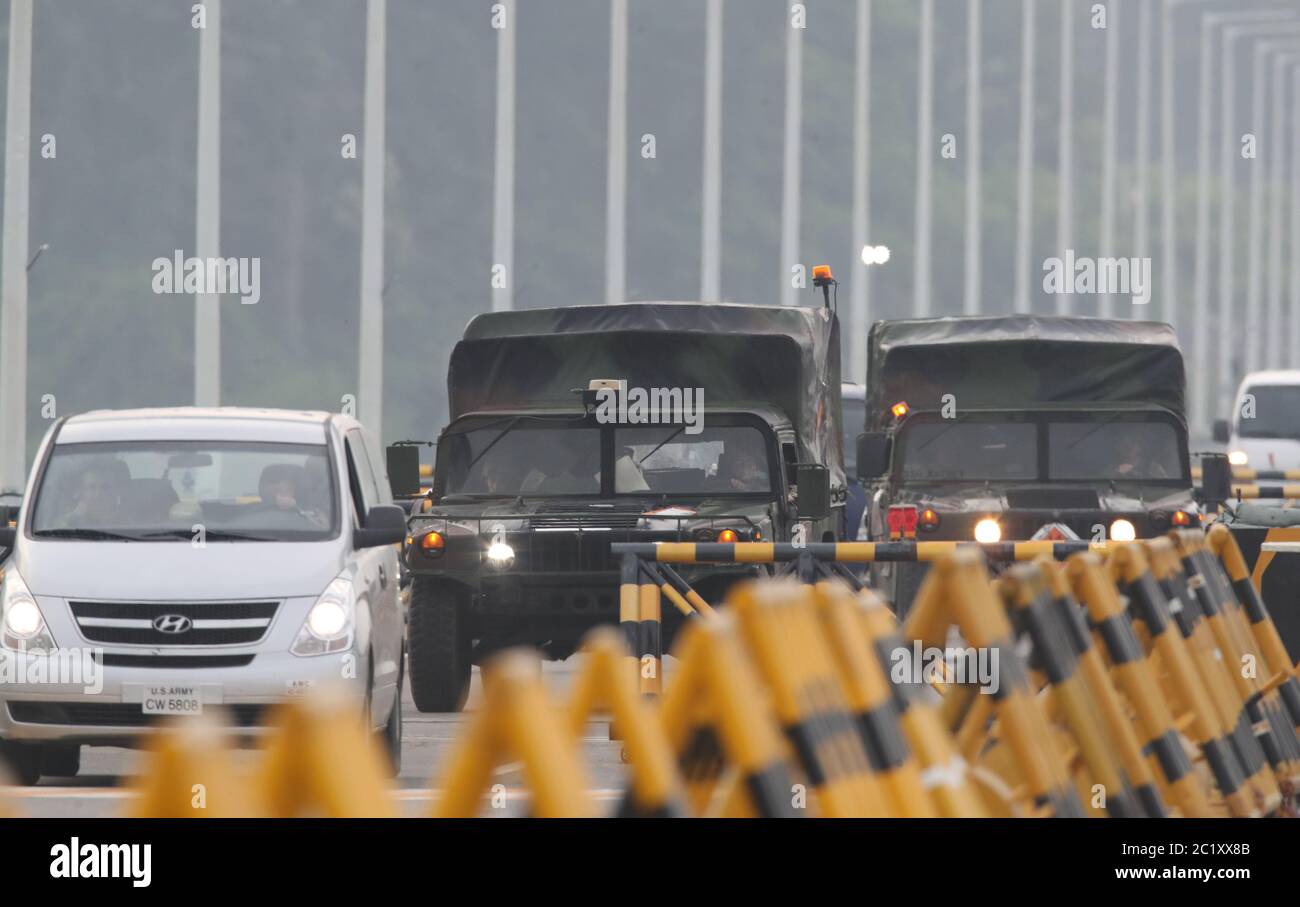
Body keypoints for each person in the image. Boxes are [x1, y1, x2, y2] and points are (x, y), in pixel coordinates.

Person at [57, 461, 126, 527]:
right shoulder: (67, 522)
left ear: (115, 492)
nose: (97, 495)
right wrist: (74, 518)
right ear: (81, 492)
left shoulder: (126, 523)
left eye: (105, 488)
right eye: (91, 487)